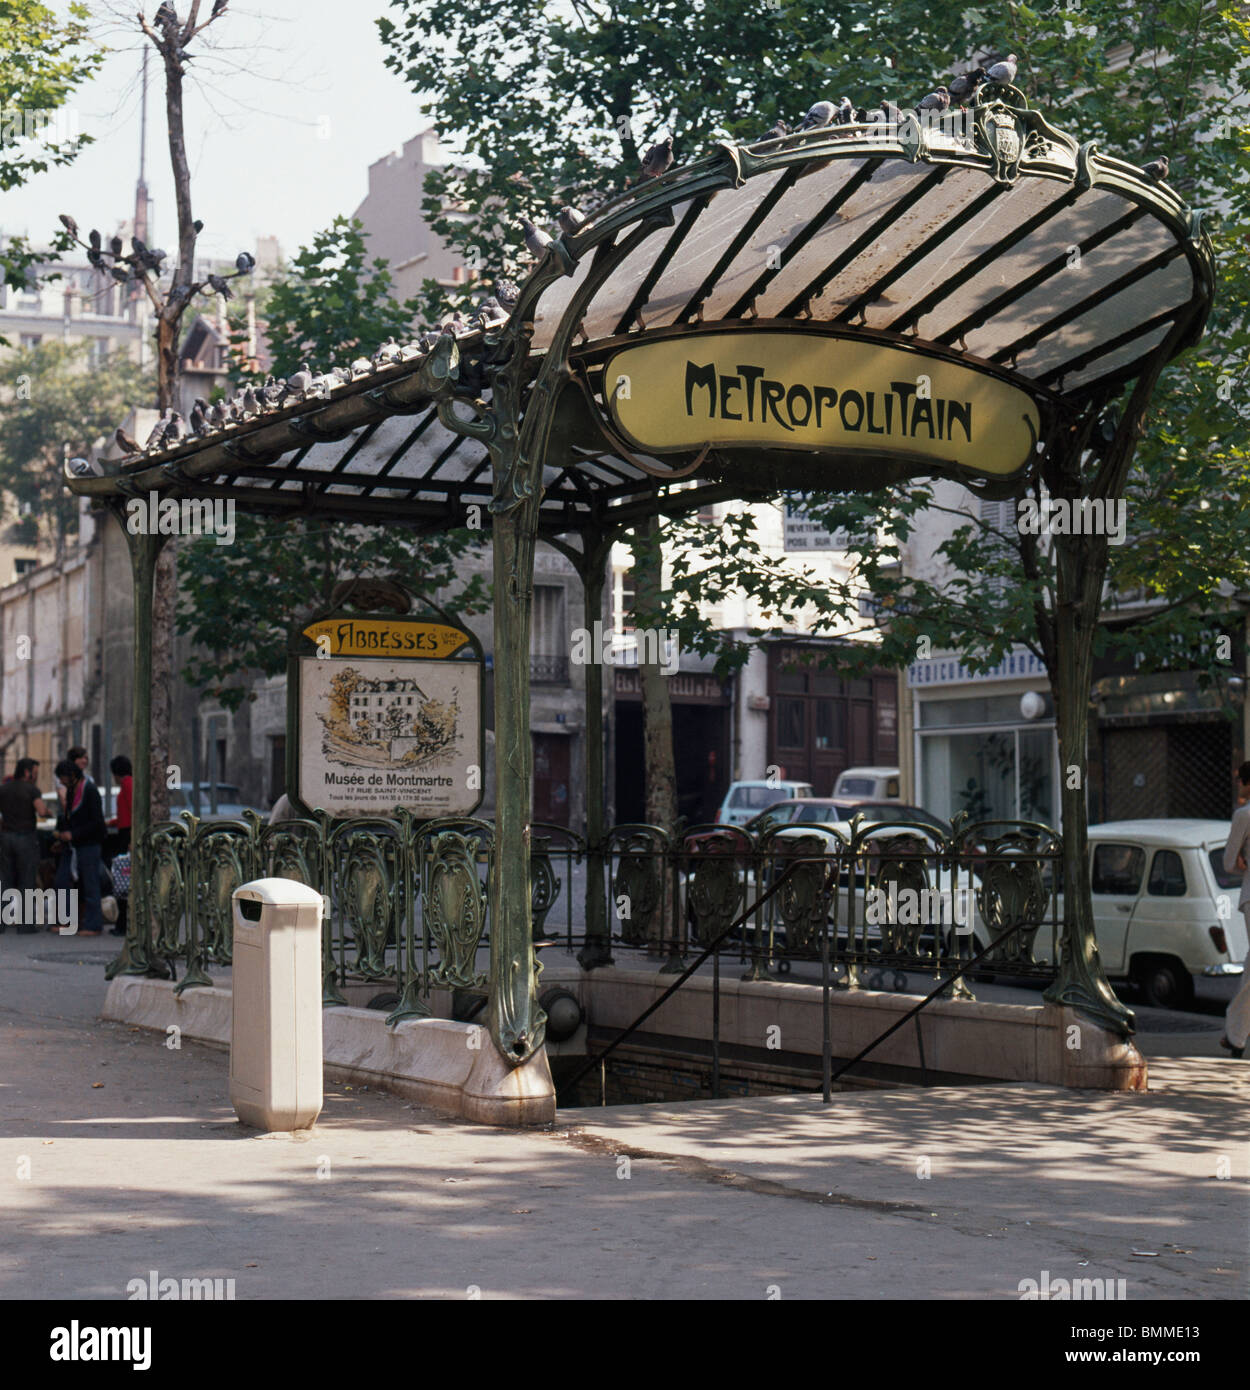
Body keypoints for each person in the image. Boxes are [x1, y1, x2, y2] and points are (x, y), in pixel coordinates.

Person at [54, 758, 105, 936]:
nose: (61, 782)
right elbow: (69, 818)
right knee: (61, 880)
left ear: (71, 776)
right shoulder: (70, 792)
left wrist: (74, 834)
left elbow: (97, 822)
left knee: (90, 885)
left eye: (62, 777)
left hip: (88, 844)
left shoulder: (90, 791)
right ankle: (66, 919)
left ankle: (93, 924)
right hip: (72, 845)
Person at [1220, 761, 1250, 1060]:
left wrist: (1242, 862)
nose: (1238, 785)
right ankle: (1236, 1034)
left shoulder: (1244, 815)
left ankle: (1236, 1033)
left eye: (1240, 779)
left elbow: (1229, 863)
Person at [0, 758, 48, 934]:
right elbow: (42, 811)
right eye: (35, 773)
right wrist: (48, 812)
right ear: (27, 772)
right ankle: (25, 924)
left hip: (5, 837)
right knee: (27, 880)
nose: (36, 776)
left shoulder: (3, 789)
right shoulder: (32, 790)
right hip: (26, 837)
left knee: (4, 880)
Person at [107, 754, 133, 853]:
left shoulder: (127, 784)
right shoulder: (127, 783)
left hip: (128, 831)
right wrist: (112, 822)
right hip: (126, 829)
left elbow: (132, 810)